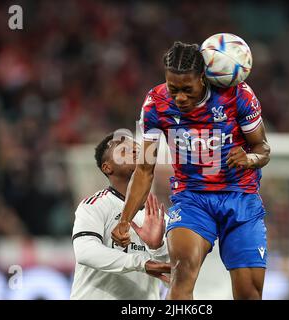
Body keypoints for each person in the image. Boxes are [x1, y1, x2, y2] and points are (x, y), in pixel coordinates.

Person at [111, 41, 271, 300]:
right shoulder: (155, 105)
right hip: (192, 199)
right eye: (174, 89)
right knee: (182, 271)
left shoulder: (238, 96)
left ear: (203, 78)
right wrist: (125, 220)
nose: (180, 97)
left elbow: (262, 149)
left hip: (240, 197)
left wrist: (249, 159)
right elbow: (143, 169)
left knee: (249, 294)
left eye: (187, 89)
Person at [70, 133, 170, 300]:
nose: (135, 151)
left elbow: (172, 279)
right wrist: (141, 263)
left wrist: (157, 248)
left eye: (137, 149)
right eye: (124, 149)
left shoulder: (160, 217)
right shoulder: (95, 205)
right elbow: (85, 251)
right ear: (107, 168)